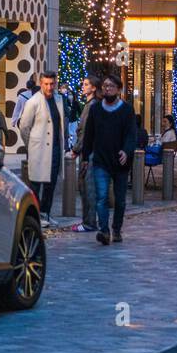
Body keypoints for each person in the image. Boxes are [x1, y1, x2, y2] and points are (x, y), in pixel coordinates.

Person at [81, 73, 138, 245]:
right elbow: (89, 134)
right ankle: (104, 230)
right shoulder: (96, 109)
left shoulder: (127, 110)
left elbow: (131, 134)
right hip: (101, 160)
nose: (107, 89)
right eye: (105, 86)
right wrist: (85, 157)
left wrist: (126, 151)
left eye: (111, 86)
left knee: (120, 200)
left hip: (120, 162)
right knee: (101, 197)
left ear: (118, 90)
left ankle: (116, 229)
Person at [18, 70, 65, 222]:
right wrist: (31, 144)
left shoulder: (59, 99)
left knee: (51, 183)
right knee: (36, 184)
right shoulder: (33, 102)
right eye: (46, 84)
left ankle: (45, 213)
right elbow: (24, 127)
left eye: (52, 84)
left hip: (55, 148)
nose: (49, 87)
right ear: (40, 84)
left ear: (55, 83)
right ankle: (36, 216)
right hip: (38, 149)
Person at [68, 74, 101, 233]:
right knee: (85, 187)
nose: (83, 86)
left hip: (89, 152)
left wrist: (76, 149)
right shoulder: (89, 105)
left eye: (87, 84)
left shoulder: (92, 105)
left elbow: (85, 132)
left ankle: (89, 222)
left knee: (87, 187)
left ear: (93, 88)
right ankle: (88, 221)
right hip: (88, 150)